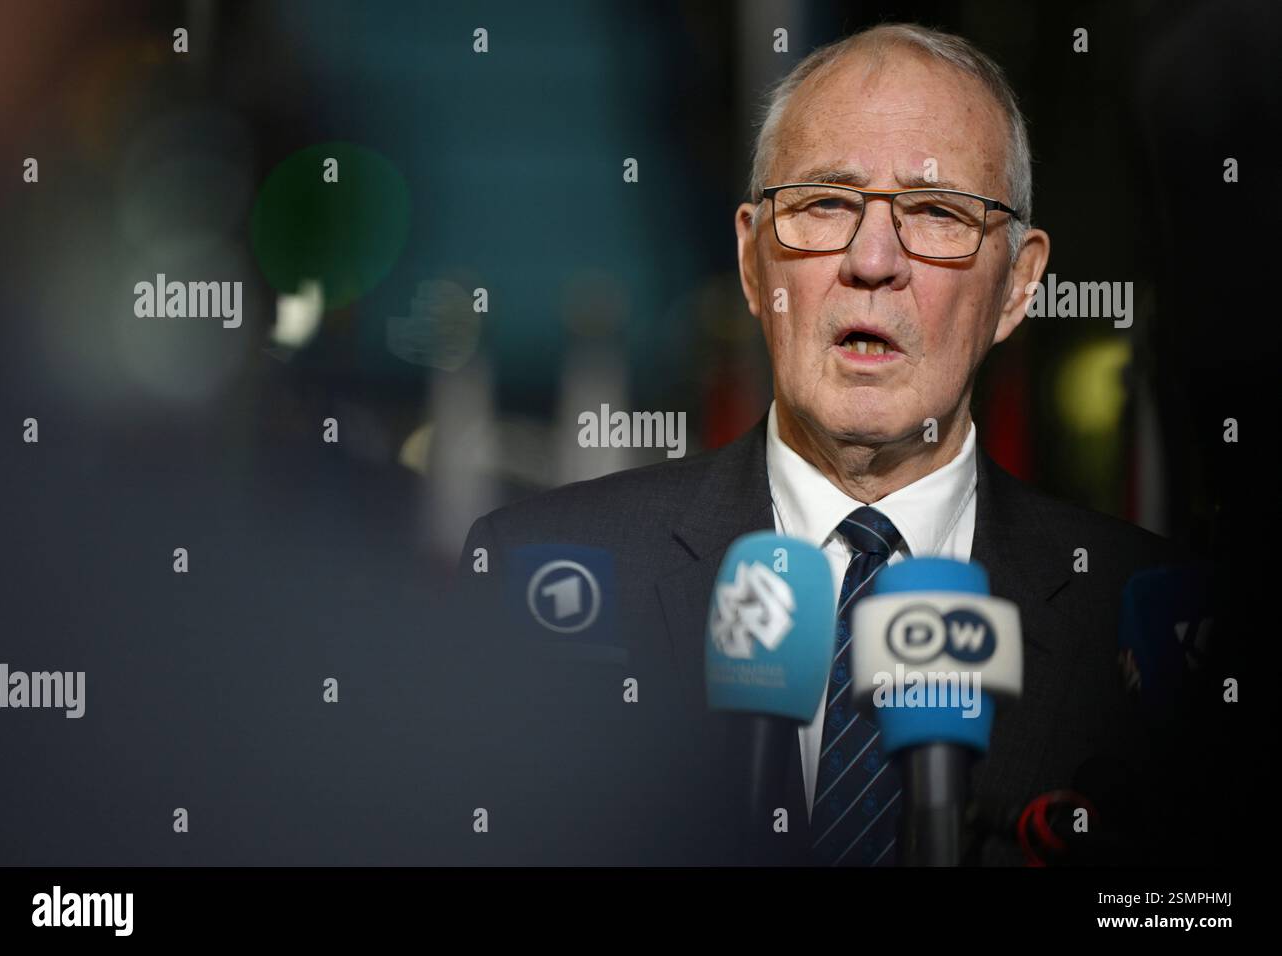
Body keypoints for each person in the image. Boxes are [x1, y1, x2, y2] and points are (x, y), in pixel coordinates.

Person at [459, 23, 1175, 866]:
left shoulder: (1152, 619)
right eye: (825, 204)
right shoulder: (536, 569)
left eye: (937, 212)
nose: (872, 261)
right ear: (755, 261)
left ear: (1018, 286)